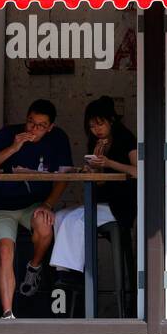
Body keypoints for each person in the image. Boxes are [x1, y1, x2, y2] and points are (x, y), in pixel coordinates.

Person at [0, 99, 73, 318]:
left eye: (41, 125)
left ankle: (34, 268)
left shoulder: (58, 139)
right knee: (5, 251)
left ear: (50, 127)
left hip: (35, 204)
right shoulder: (8, 135)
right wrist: (13, 148)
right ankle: (7, 313)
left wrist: (48, 204)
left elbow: (65, 175)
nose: (33, 129)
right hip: (3, 206)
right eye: (31, 122)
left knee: (45, 224)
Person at [50, 96, 138, 279]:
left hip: (120, 205)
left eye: (100, 124)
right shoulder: (95, 142)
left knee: (75, 220)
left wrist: (109, 163)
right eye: (91, 126)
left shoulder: (126, 138)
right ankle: (63, 272)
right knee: (59, 217)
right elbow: (100, 181)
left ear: (111, 120)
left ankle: (71, 276)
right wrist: (91, 169)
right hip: (100, 201)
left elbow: (139, 171)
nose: (96, 130)